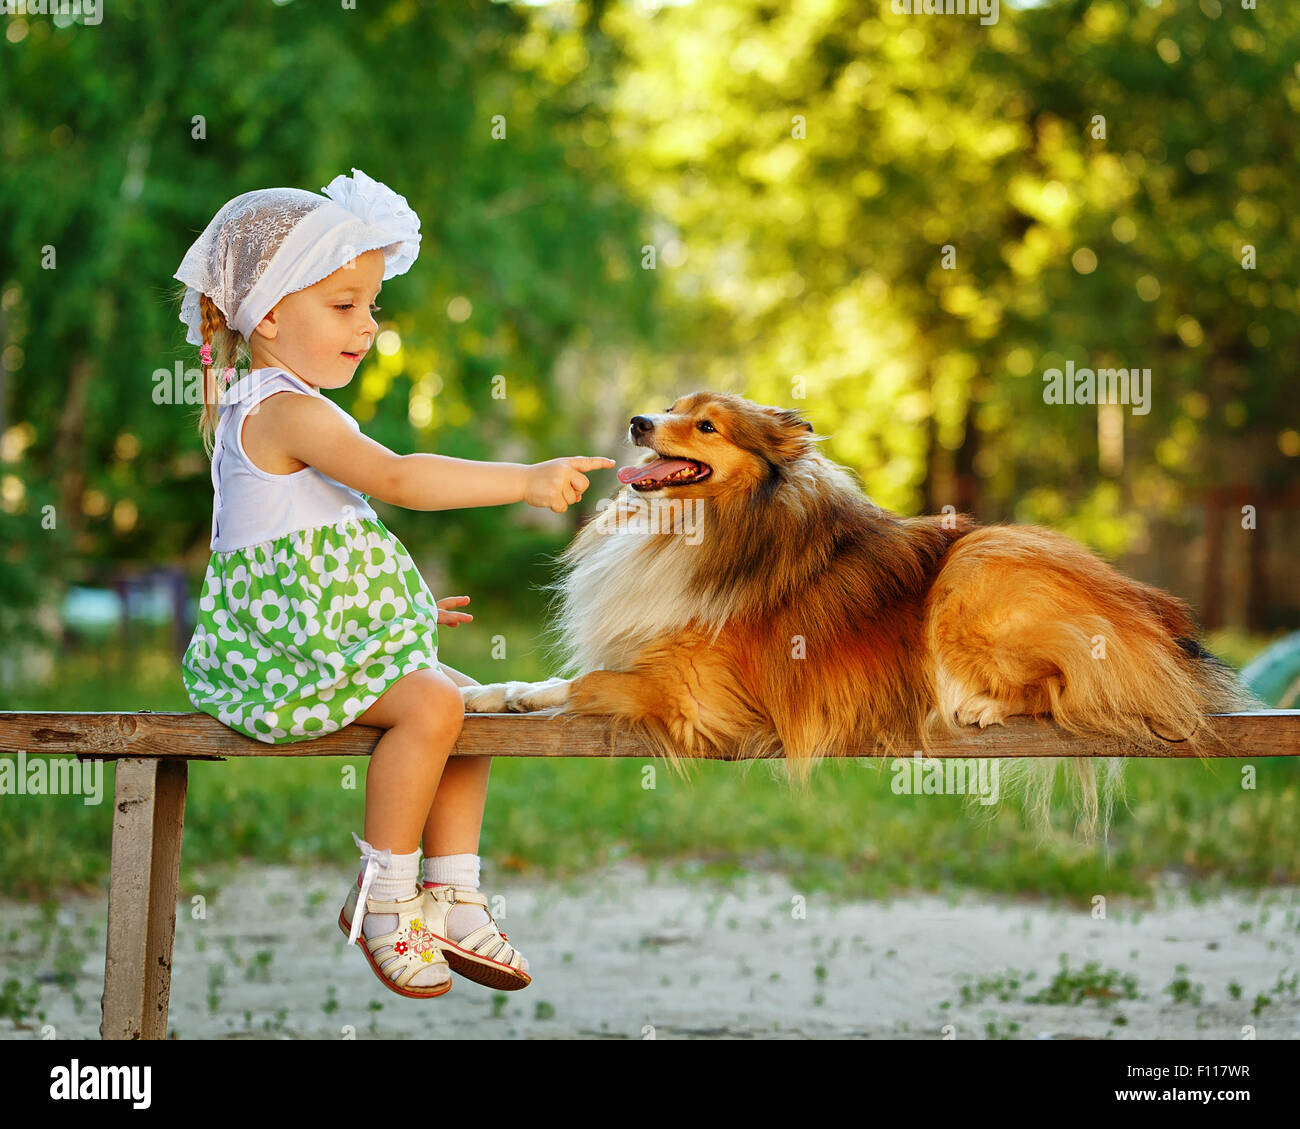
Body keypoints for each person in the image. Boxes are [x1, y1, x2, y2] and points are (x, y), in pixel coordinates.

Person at [174, 168, 615, 999]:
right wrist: (523, 478)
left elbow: (319, 553)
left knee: (468, 701)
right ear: (267, 314)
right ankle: (385, 896)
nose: (367, 326)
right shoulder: (282, 409)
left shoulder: (289, 402)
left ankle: (452, 892)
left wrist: (405, 611)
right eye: (344, 305)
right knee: (433, 705)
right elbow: (402, 479)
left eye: (372, 305)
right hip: (268, 659)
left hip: (305, 641)